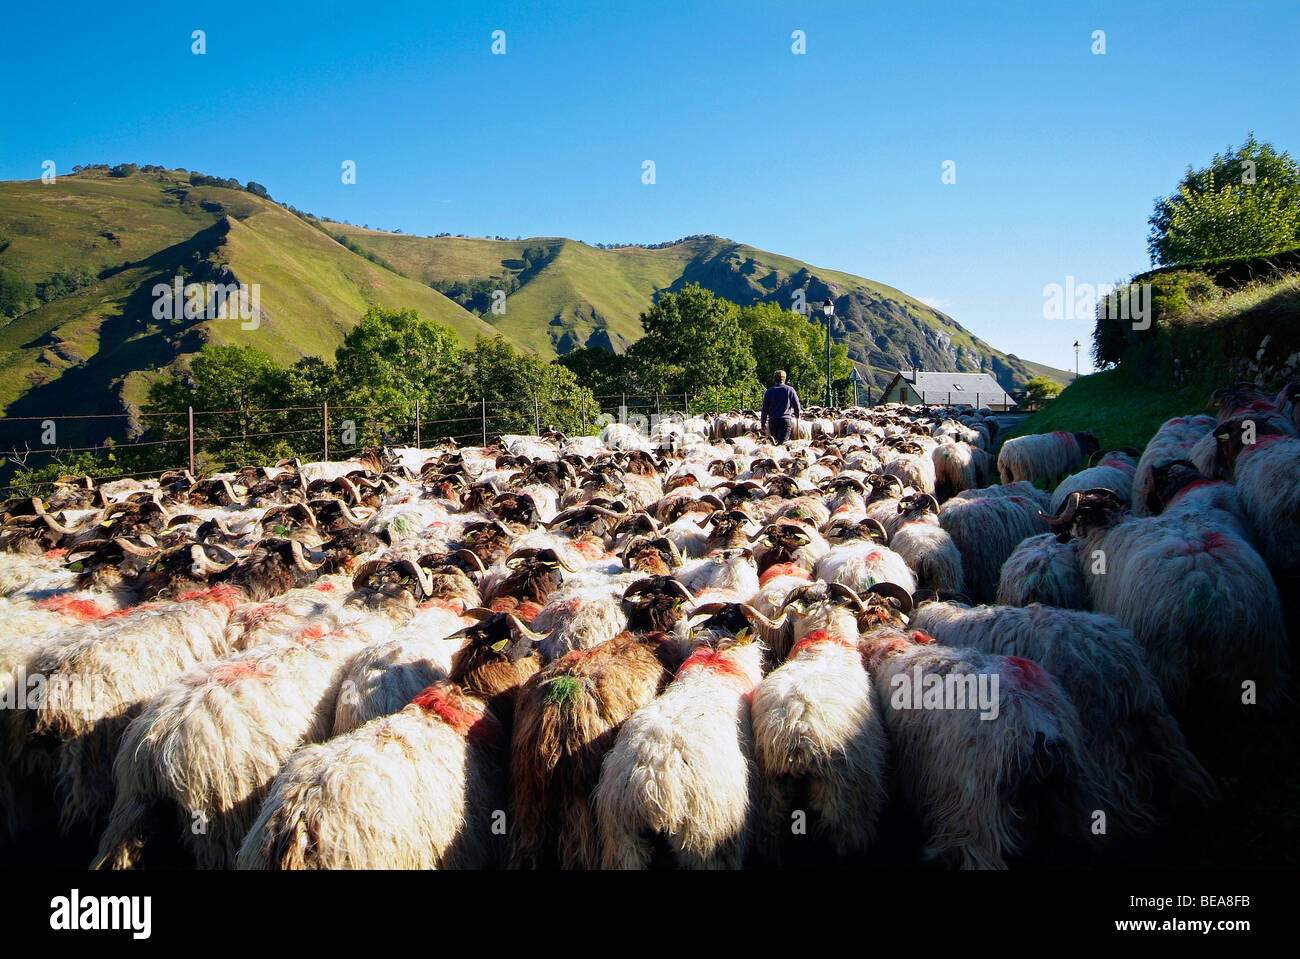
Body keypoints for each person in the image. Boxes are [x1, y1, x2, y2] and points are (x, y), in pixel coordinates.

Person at [760, 370, 803, 444]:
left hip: (773, 420)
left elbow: (764, 409)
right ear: (784, 378)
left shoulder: (769, 391)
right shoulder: (790, 390)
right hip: (785, 420)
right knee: (783, 443)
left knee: (774, 442)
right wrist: (797, 415)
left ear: (774, 379)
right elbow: (797, 406)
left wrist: (763, 423)